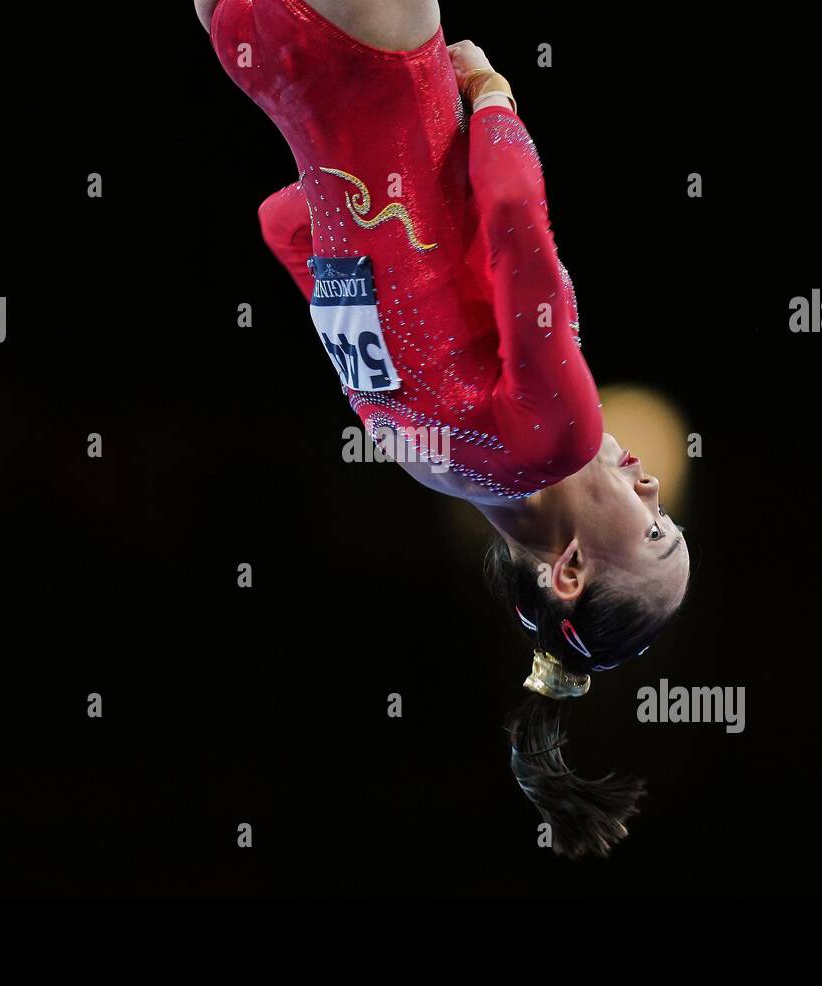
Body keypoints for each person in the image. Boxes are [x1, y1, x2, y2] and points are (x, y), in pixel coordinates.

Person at [199, 0, 689, 857]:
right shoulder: (423, 459)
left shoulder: (558, 441)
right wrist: (349, 169)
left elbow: (513, 217)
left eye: (652, 531)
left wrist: (487, 96)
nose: (652, 486)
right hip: (259, 61)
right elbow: (288, 228)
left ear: (568, 571)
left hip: (380, 52)